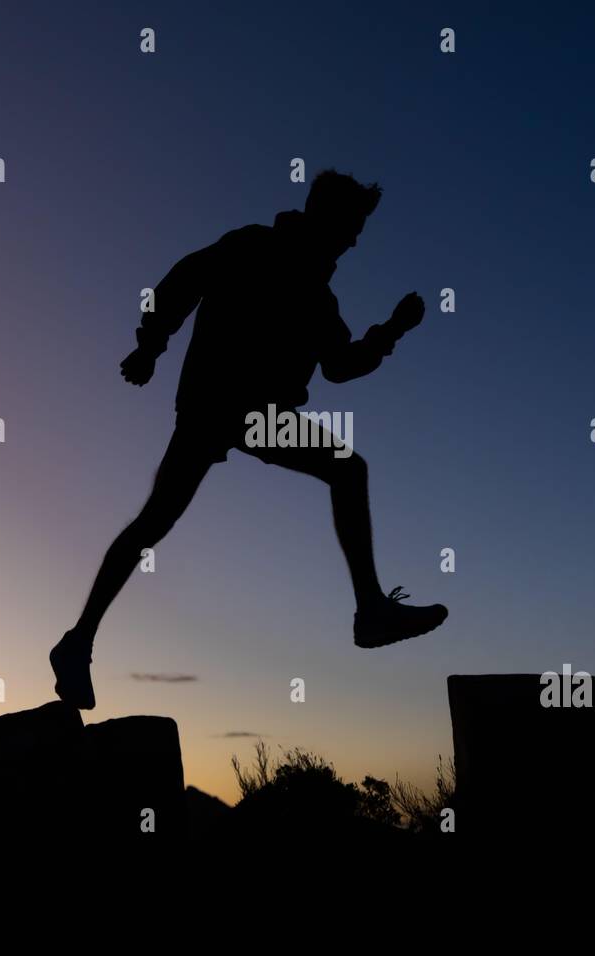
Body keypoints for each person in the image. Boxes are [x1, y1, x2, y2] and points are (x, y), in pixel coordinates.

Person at [52, 170, 447, 709]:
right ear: (323, 217)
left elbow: (339, 365)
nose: (355, 240)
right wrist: (150, 345)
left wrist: (392, 331)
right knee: (159, 518)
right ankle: (78, 643)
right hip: (214, 405)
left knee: (343, 470)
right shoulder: (252, 245)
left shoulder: (319, 297)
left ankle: (371, 610)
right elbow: (182, 282)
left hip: (259, 416)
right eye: (351, 227)